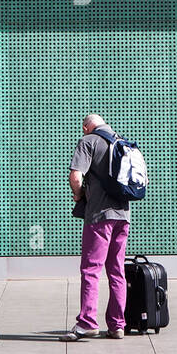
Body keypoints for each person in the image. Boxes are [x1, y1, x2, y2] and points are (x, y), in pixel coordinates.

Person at [66, 113, 130, 341]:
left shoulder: (88, 141)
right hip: (123, 216)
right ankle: (117, 325)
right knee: (117, 270)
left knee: (91, 269)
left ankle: (87, 323)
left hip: (99, 216)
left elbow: (76, 177)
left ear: (86, 127)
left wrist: (78, 195)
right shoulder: (122, 142)